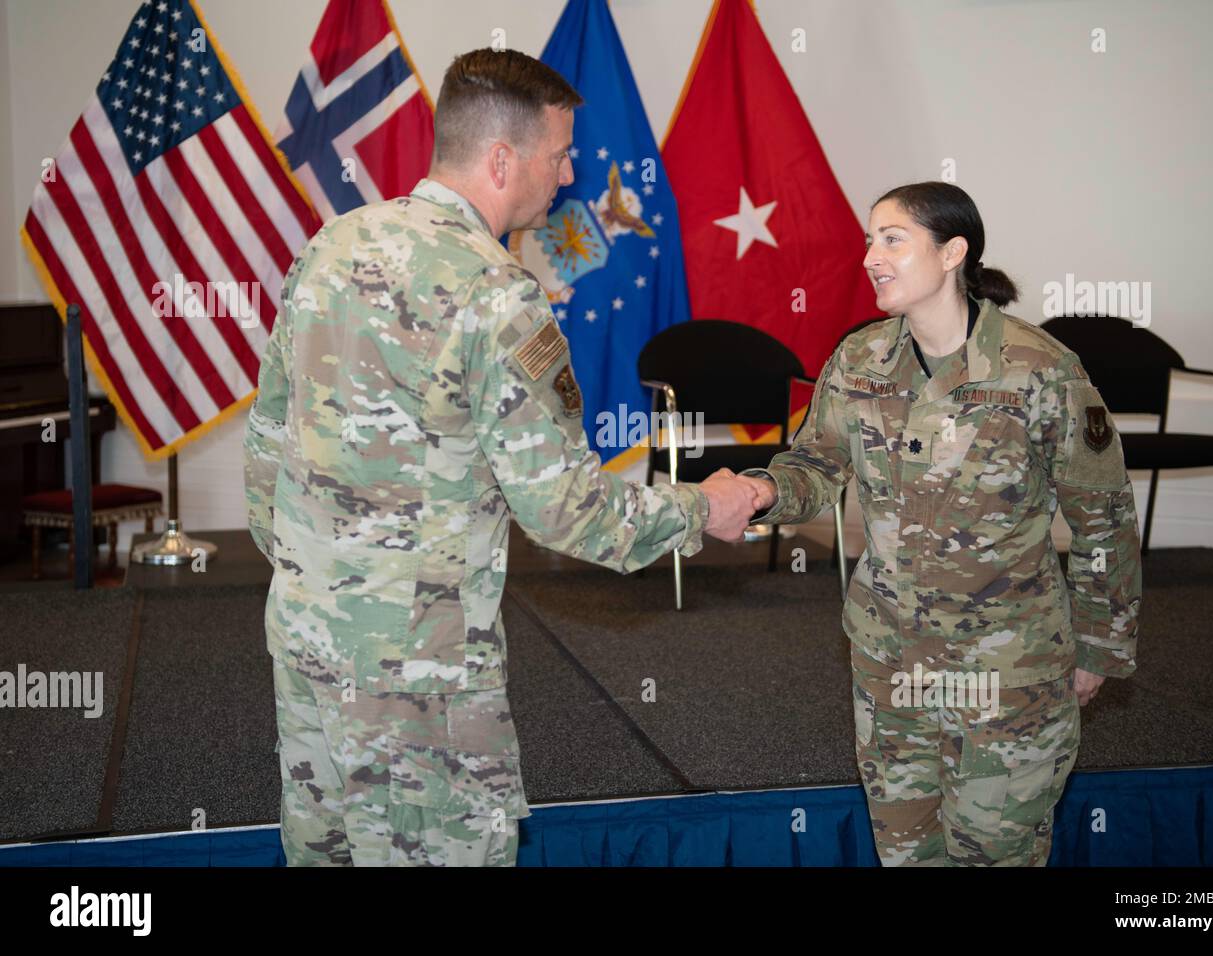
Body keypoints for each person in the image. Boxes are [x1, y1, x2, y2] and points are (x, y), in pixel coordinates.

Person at [242, 48, 760, 867]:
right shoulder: (498, 293)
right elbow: (568, 511)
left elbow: (267, 445)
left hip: (307, 647)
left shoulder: (332, 246)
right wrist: (706, 509)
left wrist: (313, 580)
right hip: (423, 677)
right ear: (500, 159)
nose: (564, 179)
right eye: (559, 157)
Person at [735, 181, 1142, 866]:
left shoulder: (1039, 370)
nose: (871, 256)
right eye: (869, 239)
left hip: (1007, 671)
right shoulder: (860, 361)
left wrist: (1101, 645)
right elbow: (814, 468)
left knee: (993, 851)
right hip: (890, 662)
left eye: (893, 238)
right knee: (905, 850)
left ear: (953, 251)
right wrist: (756, 494)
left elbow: (1102, 518)